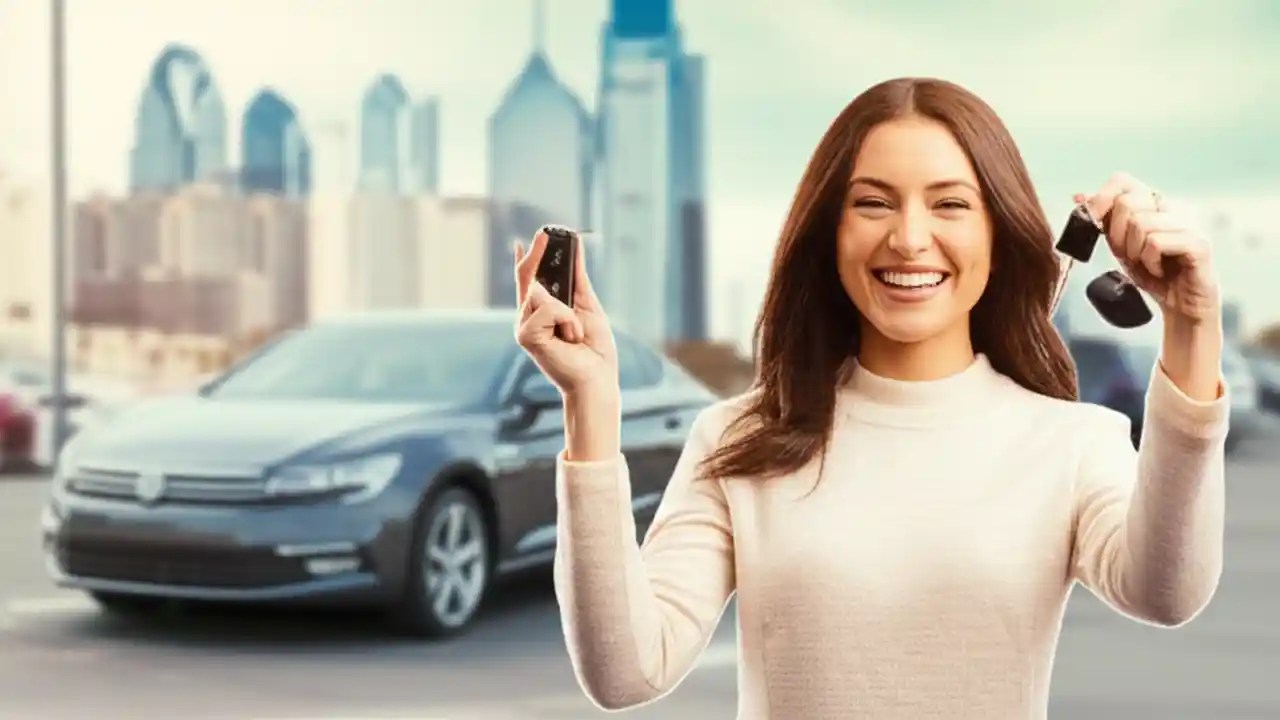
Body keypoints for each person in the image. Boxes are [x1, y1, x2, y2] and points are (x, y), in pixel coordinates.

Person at [511, 76, 1229, 719]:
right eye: (872, 203)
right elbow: (626, 670)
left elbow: (1167, 593)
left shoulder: (1072, 443)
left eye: (950, 204)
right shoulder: (737, 438)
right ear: (829, 235)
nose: (909, 238)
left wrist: (1191, 326)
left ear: (999, 234)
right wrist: (590, 407)